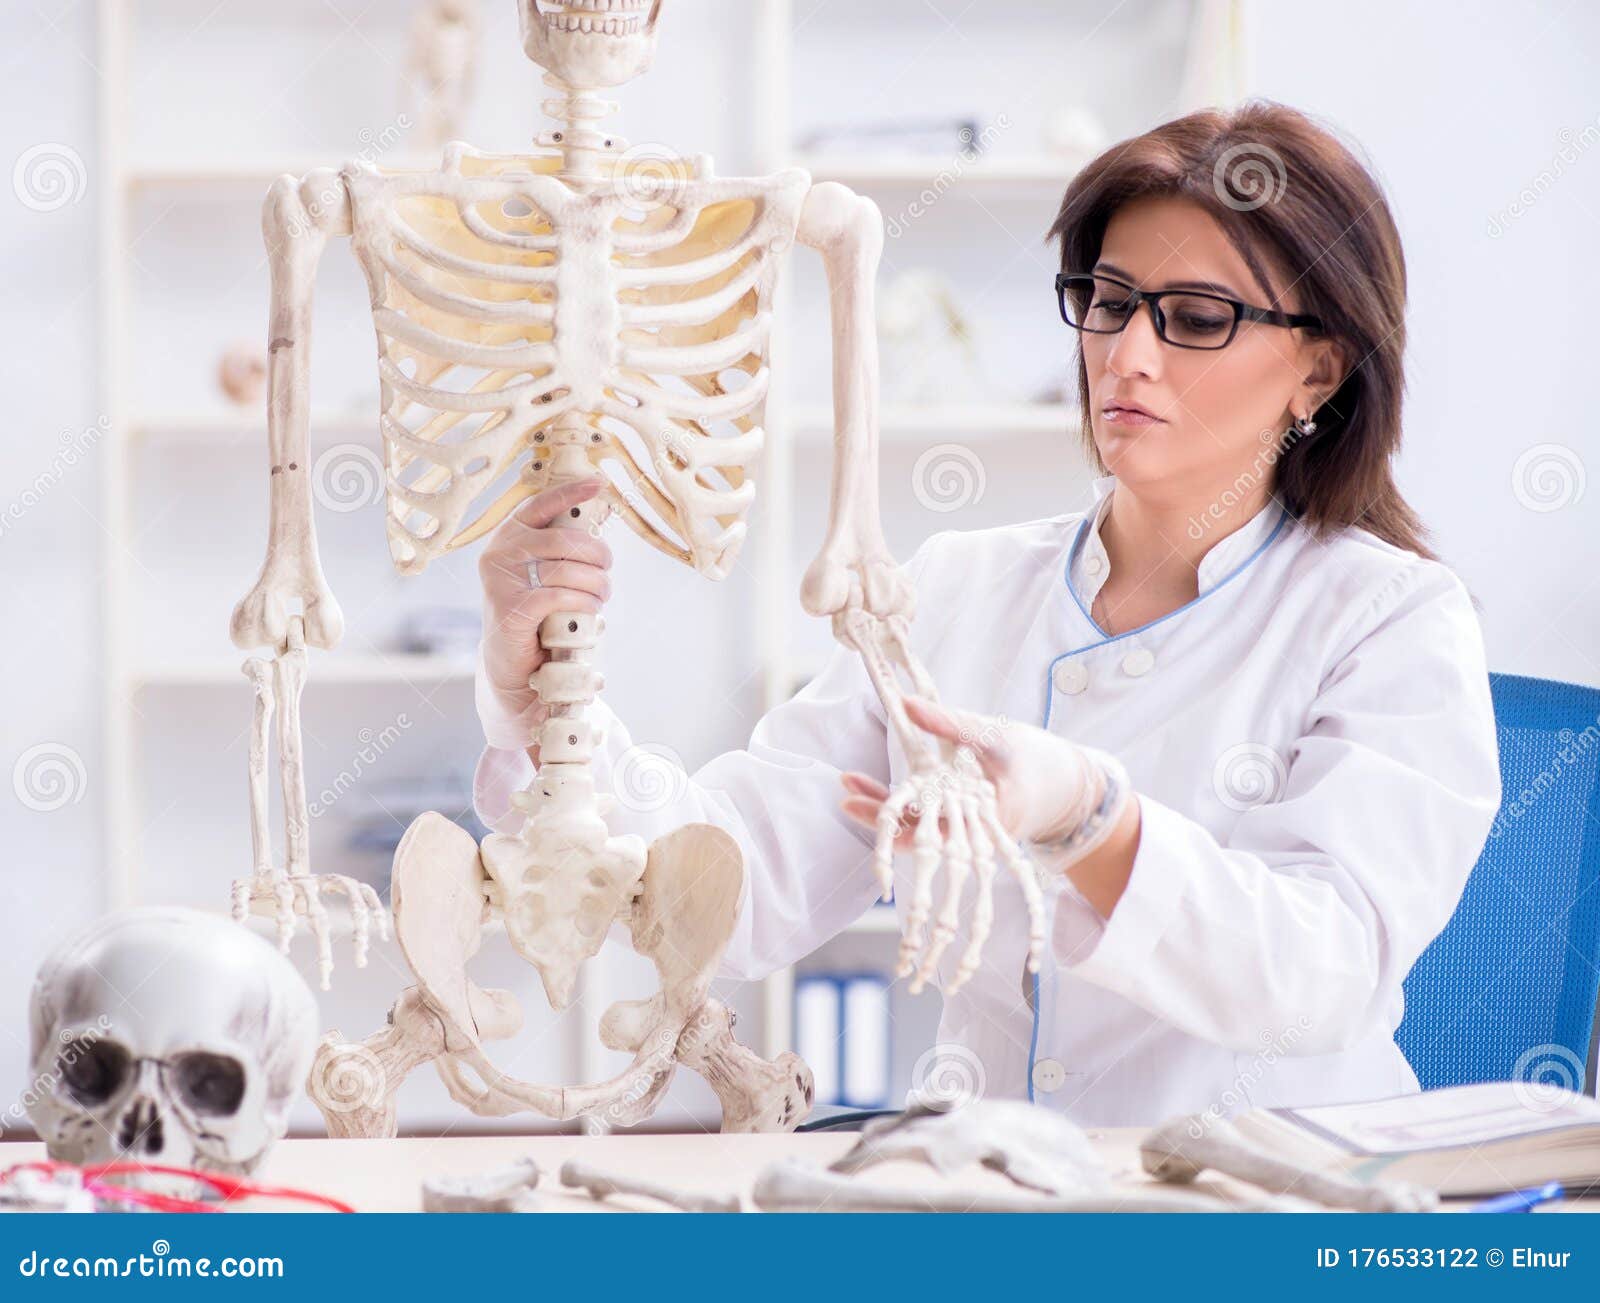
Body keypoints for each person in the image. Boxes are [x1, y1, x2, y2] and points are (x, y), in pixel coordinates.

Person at [470, 100, 1502, 1126]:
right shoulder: (960, 587)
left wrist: (1095, 822)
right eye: (1109, 302)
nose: (1127, 356)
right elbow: (737, 893)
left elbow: (1318, 972)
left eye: (1194, 318)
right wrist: (548, 711)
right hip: (998, 1183)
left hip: (1273, 1199)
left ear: (1317, 368)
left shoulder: (1388, 618)